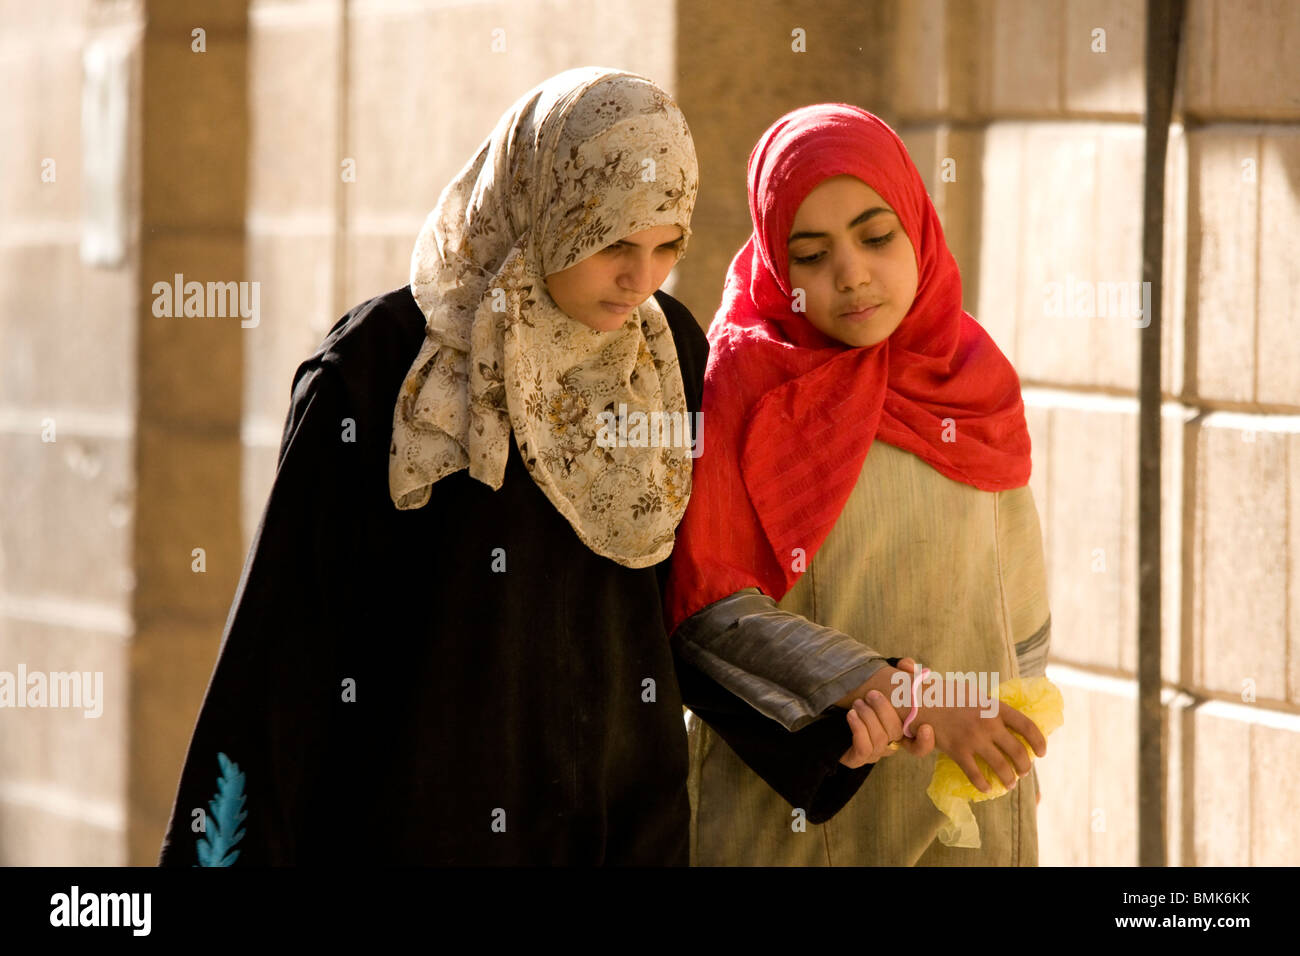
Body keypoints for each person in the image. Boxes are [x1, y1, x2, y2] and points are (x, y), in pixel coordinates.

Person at [158, 67, 730, 865]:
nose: (640, 280)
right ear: (542, 207)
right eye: (611, 244)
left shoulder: (667, 352)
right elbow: (284, 648)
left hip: (619, 832)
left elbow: (700, 598)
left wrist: (841, 697)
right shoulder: (386, 363)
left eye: (667, 246)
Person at [664, 103, 1052, 866]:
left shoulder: (970, 376)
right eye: (809, 256)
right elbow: (708, 611)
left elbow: (1018, 600)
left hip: (964, 802)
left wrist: (1014, 740)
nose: (852, 274)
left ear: (916, 224)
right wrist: (912, 695)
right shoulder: (744, 385)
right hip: (797, 816)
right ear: (779, 267)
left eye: (876, 236)